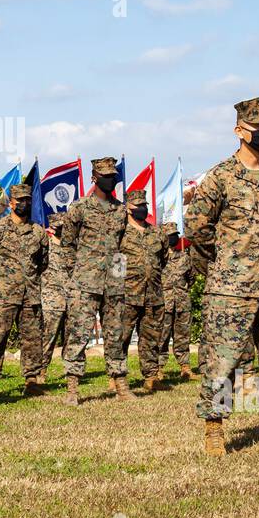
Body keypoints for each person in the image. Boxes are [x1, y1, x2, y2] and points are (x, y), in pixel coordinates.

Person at [185, 97, 259, 456]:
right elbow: (196, 227)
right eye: (258, 128)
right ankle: (214, 430)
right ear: (240, 131)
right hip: (229, 289)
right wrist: (226, 260)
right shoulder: (220, 177)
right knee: (222, 361)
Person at [59, 157, 126, 407]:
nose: (111, 180)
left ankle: (120, 384)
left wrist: (119, 279)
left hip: (113, 284)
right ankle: (73, 389)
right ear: (95, 178)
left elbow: (122, 248)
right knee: (78, 334)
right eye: (106, 175)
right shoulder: (80, 208)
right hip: (85, 283)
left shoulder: (121, 210)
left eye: (114, 175)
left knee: (115, 334)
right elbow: (67, 245)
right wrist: (74, 276)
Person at [0, 184, 48, 399]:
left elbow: (43, 262)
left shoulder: (38, 232)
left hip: (30, 294)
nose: (24, 204)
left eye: (27, 200)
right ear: (10, 203)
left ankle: (32, 380)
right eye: (19, 200)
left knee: (32, 339)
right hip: (3, 295)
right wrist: (1, 281)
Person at [116, 189, 167, 395]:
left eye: (144, 205)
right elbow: (115, 266)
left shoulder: (157, 233)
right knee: (122, 338)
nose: (143, 209)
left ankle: (151, 376)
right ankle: (117, 377)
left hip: (153, 295)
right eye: (138, 206)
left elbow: (162, 260)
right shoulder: (121, 233)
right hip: (127, 294)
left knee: (151, 338)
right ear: (128, 208)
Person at [37, 212, 72, 385]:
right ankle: (41, 372)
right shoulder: (45, 246)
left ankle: (71, 374)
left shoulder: (72, 247)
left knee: (71, 338)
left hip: (71, 298)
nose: (61, 230)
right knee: (47, 338)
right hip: (51, 299)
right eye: (58, 227)